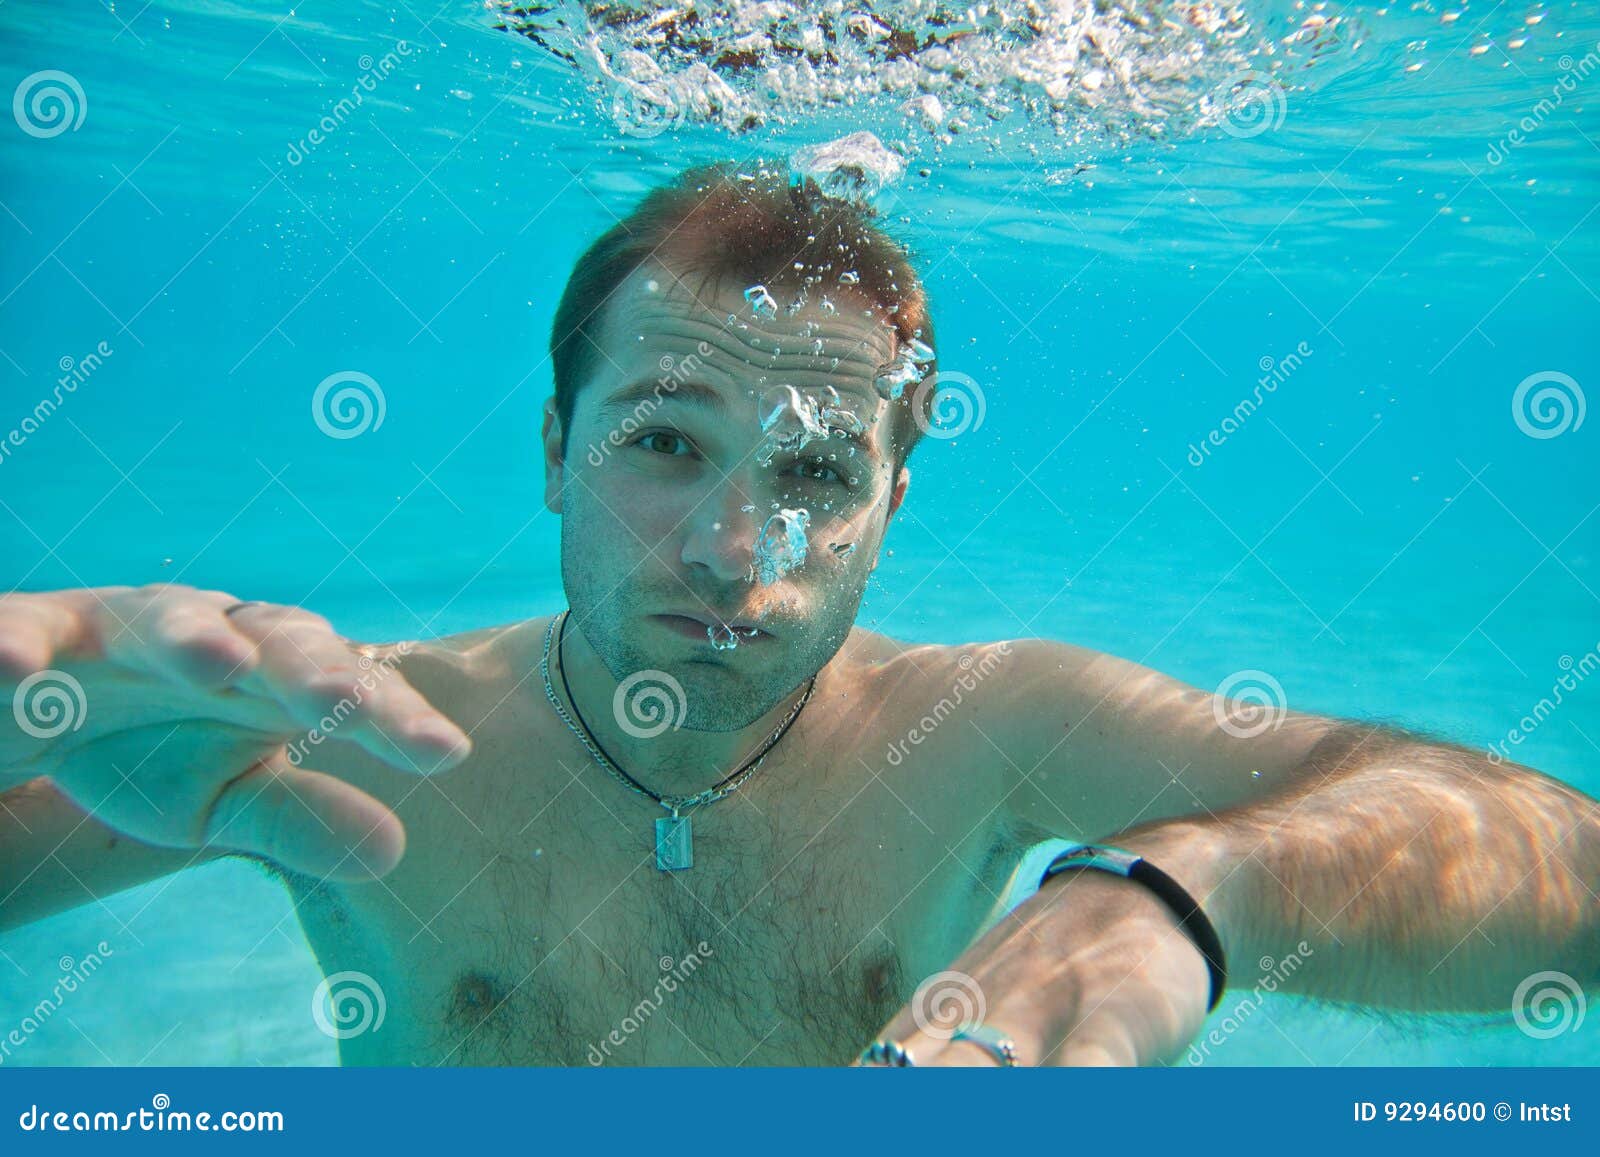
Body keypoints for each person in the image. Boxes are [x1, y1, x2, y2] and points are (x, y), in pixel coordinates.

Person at [1, 163, 1595, 1067]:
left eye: (823, 472)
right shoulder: (343, 734)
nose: (736, 552)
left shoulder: (986, 726)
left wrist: (1195, 888)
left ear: (897, 508)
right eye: (666, 443)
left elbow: (1567, 868)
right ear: (556, 450)